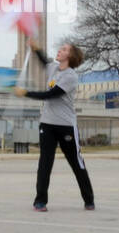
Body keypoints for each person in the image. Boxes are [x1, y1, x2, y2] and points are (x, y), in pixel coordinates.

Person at [13, 40, 95, 212]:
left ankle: (89, 199)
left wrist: (26, 93)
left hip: (66, 125)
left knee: (76, 162)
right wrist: (36, 49)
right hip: (47, 124)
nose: (60, 50)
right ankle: (40, 201)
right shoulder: (53, 68)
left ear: (70, 56)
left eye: (64, 49)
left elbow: (51, 95)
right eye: (61, 48)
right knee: (45, 163)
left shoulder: (70, 76)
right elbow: (44, 61)